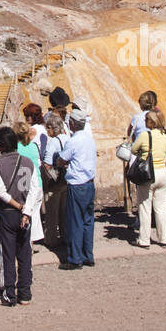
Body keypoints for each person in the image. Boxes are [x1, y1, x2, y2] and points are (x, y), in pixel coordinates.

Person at [0, 125, 42, 306]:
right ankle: (25, 293)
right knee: (25, 253)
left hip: (8, 213)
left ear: (2, 146)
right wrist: (27, 211)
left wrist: (18, 207)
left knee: (7, 255)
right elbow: (35, 188)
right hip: (26, 216)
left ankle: (8, 294)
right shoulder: (28, 162)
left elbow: (1, 192)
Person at [55, 108, 97, 269]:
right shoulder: (89, 139)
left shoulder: (73, 141)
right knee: (88, 220)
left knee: (75, 221)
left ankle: (75, 258)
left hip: (77, 184)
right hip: (89, 183)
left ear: (72, 123)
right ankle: (88, 255)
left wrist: (59, 161)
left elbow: (62, 160)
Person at [129, 109, 166, 248]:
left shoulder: (145, 135)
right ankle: (164, 238)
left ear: (152, 122)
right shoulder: (164, 135)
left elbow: (133, 149)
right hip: (162, 172)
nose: (145, 122)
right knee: (160, 207)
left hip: (148, 173)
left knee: (145, 207)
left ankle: (144, 239)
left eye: (147, 119)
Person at [41, 111, 69, 249]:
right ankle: (65, 235)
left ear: (52, 128)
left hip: (55, 182)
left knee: (52, 213)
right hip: (66, 180)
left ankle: (51, 239)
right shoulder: (66, 138)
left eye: (48, 128)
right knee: (64, 212)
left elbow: (47, 165)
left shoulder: (53, 143)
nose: (47, 130)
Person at [15, 121, 45, 245]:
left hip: (24, 184)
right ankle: (34, 238)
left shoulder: (17, 148)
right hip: (38, 182)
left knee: (25, 212)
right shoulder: (34, 146)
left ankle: (28, 242)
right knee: (35, 213)